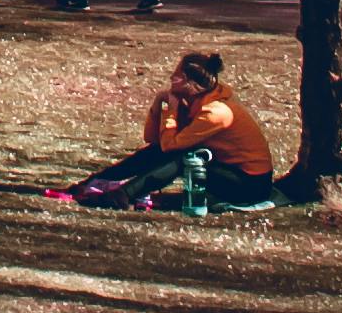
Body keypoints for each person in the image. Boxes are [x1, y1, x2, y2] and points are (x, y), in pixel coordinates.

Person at [53, 50, 276, 208]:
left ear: (189, 83)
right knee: (167, 153)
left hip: (249, 184)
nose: (171, 77)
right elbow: (154, 141)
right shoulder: (195, 102)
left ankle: (122, 195)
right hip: (226, 169)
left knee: (184, 159)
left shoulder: (215, 112)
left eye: (177, 75)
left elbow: (170, 147)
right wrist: (158, 106)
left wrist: (170, 110)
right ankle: (94, 182)